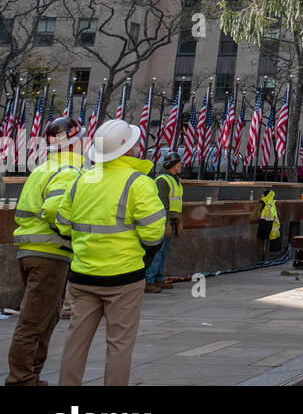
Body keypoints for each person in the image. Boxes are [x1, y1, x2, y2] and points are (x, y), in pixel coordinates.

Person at [56, 119, 166, 387]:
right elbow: (154, 234)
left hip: (82, 275)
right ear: (128, 150)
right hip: (124, 277)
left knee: (75, 342)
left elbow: (62, 223)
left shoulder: (81, 180)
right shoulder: (138, 182)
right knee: (119, 345)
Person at [6, 116, 83, 386]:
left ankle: (30, 376)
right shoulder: (70, 170)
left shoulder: (43, 168)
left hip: (32, 251)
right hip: (49, 253)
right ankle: (21, 380)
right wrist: (68, 231)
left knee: (45, 318)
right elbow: (53, 210)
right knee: (34, 321)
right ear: (74, 143)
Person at [145, 151, 185, 293]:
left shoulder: (176, 180)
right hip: (162, 222)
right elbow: (162, 204)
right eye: (179, 162)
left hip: (171, 222)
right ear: (172, 164)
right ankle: (148, 280)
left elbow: (178, 202)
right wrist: (166, 223)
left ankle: (158, 278)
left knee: (164, 251)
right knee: (158, 251)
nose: (181, 165)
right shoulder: (163, 180)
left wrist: (179, 222)